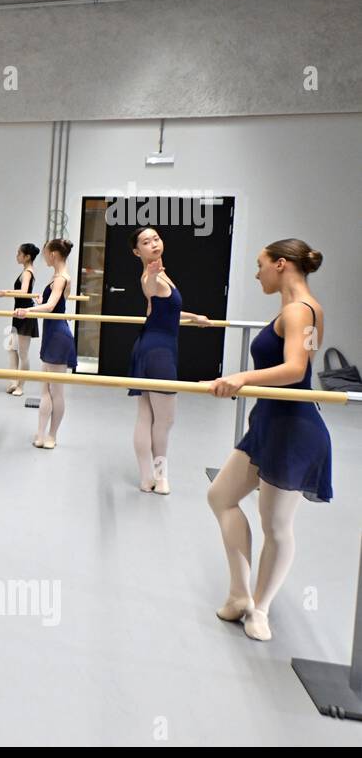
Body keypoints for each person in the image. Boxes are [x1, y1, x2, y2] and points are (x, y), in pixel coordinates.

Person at [204, 239, 331, 642]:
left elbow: (296, 370)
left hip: (293, 428)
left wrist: (241, 377)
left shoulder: (299, 310)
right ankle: (240, 594)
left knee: (275, 525)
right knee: (221, 497)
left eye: (260, 265)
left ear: (281, 264)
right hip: (270, 422)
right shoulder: (303, 308)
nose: (257, 273)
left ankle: (260, 609)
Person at [125, 227, 210, 493]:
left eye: (156, 239)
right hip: (158, 352)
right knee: (164, 420)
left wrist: (194, 317)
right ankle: (160, 477)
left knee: (146, 415)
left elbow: (163, 311)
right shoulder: (150, 276)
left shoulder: (161, 273)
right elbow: (150, 289)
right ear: (137, 251)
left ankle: (147, 477)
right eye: (146, 242)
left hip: (151, 345)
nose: (153, 244)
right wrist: (151, 275)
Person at [15, 238, 76, 449]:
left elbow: (51, 307)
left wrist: (27, 310)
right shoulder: (56, 277)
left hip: (58, 335)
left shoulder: (62, 278)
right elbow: (52, 304)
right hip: (52, 333)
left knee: (56, 391)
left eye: (46, 253)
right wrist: (39, 302)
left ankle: (52, 435)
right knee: (45, 389)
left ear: (53, 255)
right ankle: (40, 433)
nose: (44, 258)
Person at [0, 243, 40, 396]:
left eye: (19, 253)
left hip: (25, 314)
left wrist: (6, 292)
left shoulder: (27, 272)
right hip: (18, 314)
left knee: (23, 353)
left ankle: (21, 386)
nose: (17, 256)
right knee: (11, 347)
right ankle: (14, 382)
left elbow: (23, 292)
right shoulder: (26, 271)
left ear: (27, 257)